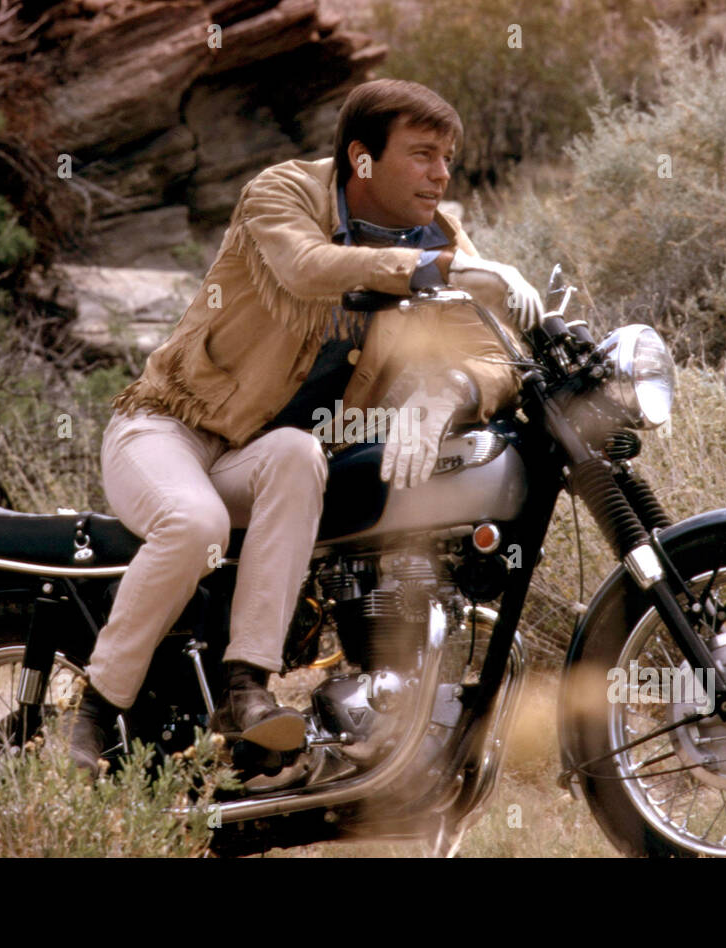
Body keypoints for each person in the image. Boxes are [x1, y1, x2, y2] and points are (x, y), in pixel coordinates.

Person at [67, 78, 544, 776]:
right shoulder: (282, 193)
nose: (442, 173)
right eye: (422, 154)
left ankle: (245, 689)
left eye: (448, 156)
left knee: (296, 455)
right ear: (362, 160)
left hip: (257, 458)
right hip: (168, 429)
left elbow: (489, 352)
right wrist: (439, 271)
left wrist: (450, 385)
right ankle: (97, 706)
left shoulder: (436, 237)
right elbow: (306, 268)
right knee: (194, 523)